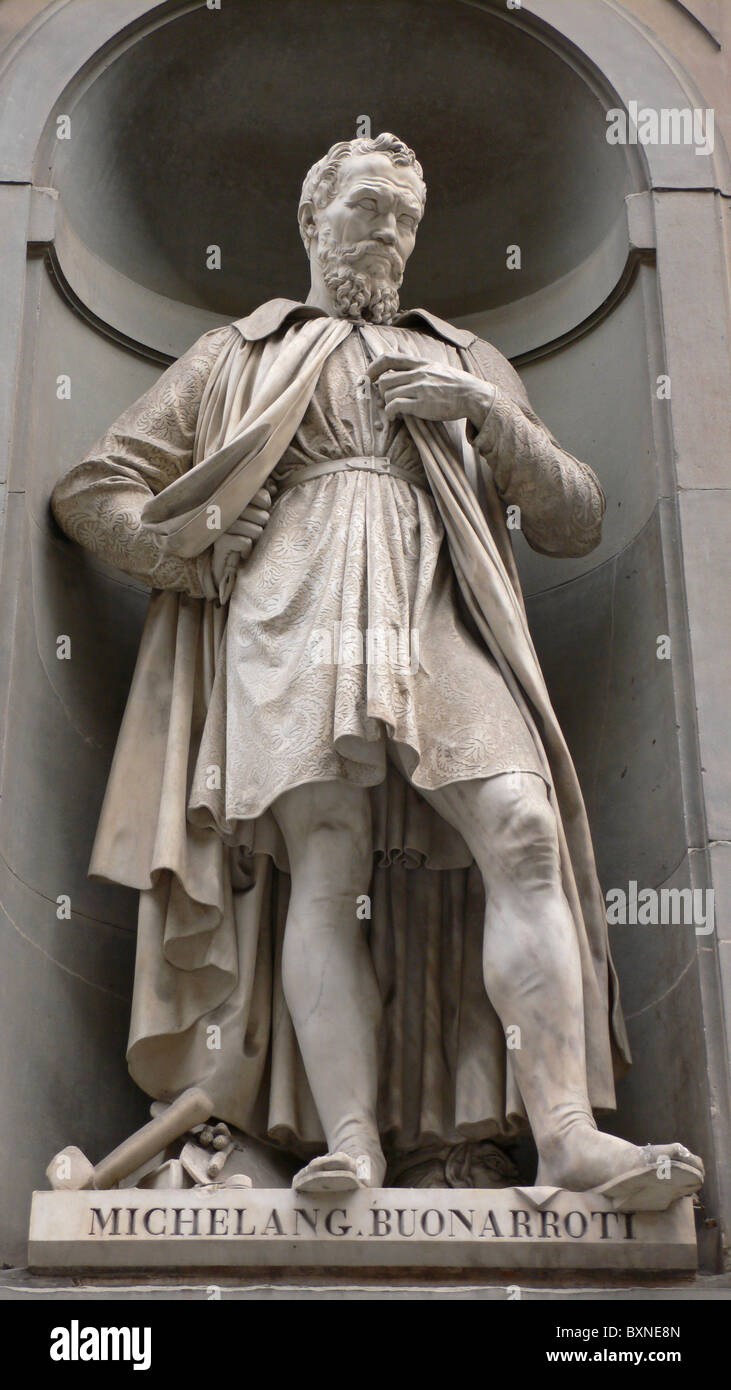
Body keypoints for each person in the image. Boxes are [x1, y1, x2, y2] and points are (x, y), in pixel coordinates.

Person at [52, 134, 702, 1208]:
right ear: (311, 221)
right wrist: (195, 546)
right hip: (290, 604)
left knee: (522, 829)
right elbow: (93, 491)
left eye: (404, 218)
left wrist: (488, 419)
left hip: (439, 602)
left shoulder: (461, 357)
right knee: (326, 865)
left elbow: (573, 514)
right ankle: (348, 1141)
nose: (388, 235)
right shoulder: (237, 354)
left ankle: (567, 1134)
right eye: (366, 208)